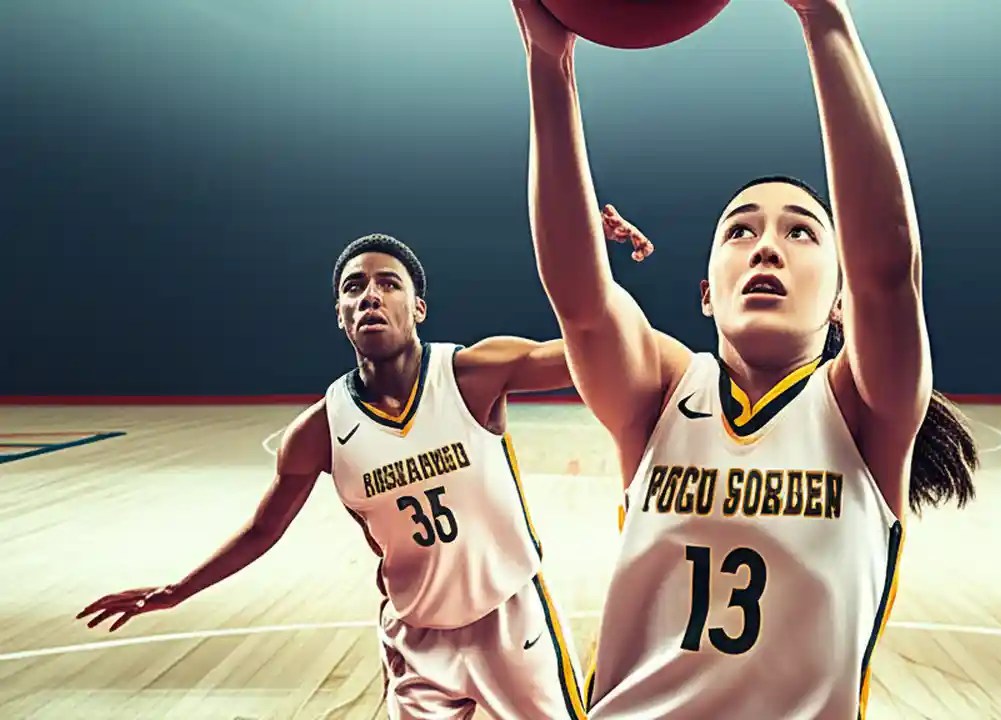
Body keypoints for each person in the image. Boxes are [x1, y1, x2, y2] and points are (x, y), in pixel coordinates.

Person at [510, 0, 978, 716]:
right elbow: (580, 298)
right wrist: (550, 64)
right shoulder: (663, 391)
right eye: (739, 231)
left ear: (840, 301)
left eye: (801, 233)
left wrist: (824, 18)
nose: (766, 245)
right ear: (706, 294)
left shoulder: (863, 414)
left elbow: (888, 270)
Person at [77, 233, 618, 720]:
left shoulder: (472, 376)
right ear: (340, 314)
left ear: (419, 306)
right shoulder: (318, 430)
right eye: (354, 287)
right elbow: (263, 530)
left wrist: (598, 275)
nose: (370, 295)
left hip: (510, 620)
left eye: (389, 283)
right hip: (416, 636)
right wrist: (178, 590)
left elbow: (596, 351)